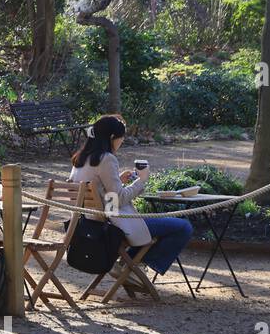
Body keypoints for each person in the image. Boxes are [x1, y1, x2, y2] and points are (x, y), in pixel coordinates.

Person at [69, 114, 191, 280]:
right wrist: (141, 181)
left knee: (170, 225)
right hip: (113, 225)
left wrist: (118, 179)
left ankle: (129, 264)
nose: (121, 142)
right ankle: (134, 265)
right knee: (183, 226)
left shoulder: (80, 159)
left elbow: (103, 194)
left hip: (90, 222)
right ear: (112, 137)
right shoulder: (107, 159)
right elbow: (117, 200)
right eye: (121, 138)